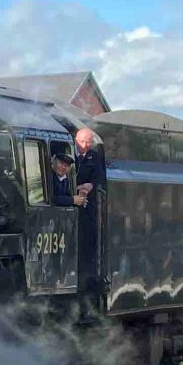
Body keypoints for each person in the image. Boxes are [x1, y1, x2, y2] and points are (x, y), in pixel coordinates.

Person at [72, 126, 107, 313]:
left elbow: (100, 177)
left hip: (87, 204)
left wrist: (90, 186)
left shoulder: (94, 156)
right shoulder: (67, 152)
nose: (85, 146)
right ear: (76, 139)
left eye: (88, 142)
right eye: (82, 142)